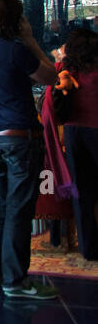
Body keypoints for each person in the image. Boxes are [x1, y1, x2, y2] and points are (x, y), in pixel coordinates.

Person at [0, 0, 60, 299]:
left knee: (2, 206)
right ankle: (15, 281)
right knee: (19, 210)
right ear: (15, 20)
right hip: (20, 138)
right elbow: (51, 78)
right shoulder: (16, 50)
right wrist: (31, 40)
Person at [57, 28, 98, 260]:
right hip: (95, 129)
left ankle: (88, 247)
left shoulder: (67, 70)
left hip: (74, 133)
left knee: (81, 191)